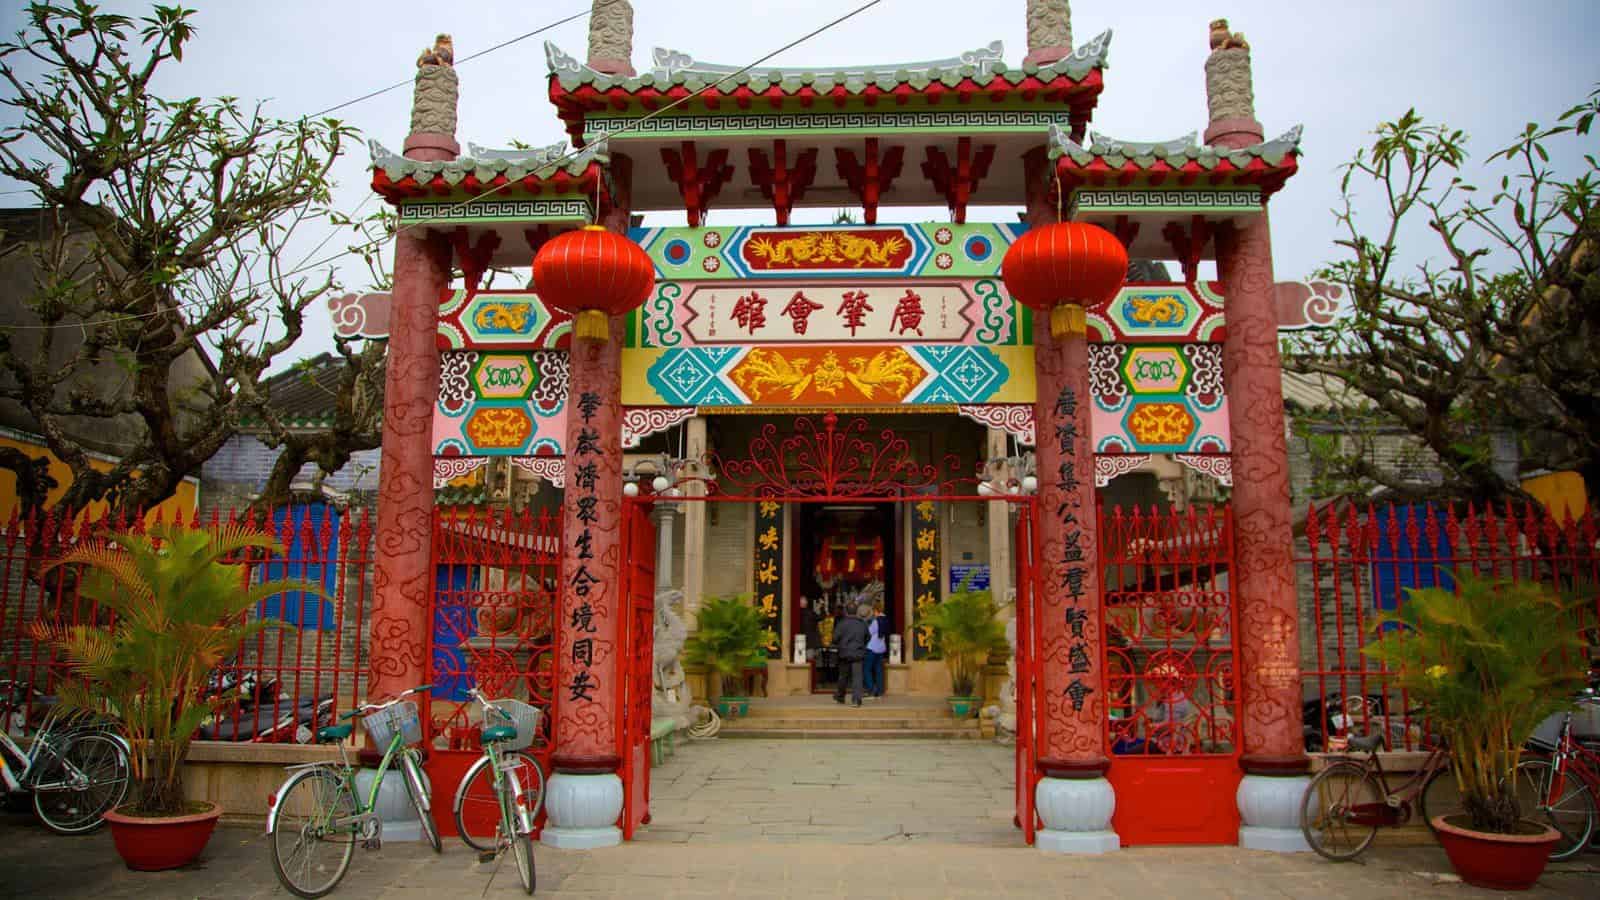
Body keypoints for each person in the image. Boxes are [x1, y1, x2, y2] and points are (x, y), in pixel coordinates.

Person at [832, 603, 870, 708]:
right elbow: (868, 637)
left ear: (846, 612)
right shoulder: (862, 624)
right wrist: (861, 645)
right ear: (856, 611)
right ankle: (857, 700)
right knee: (857, 677)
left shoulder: (841, 623)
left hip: (844, 653)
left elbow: (835, 638)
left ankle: (840, 696)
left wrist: (840, 643)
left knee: (843, 676)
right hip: (858, 652)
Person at [864, 602, 888, 699]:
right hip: (881, 648)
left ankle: (872, 691)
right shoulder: (886, 620)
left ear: (876, 611)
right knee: (878, 670)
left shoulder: (876, 621)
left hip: (872, 647)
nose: (873, 613)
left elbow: (868, 633)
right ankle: (880, 691)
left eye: (873, 611)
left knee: (866, 669)